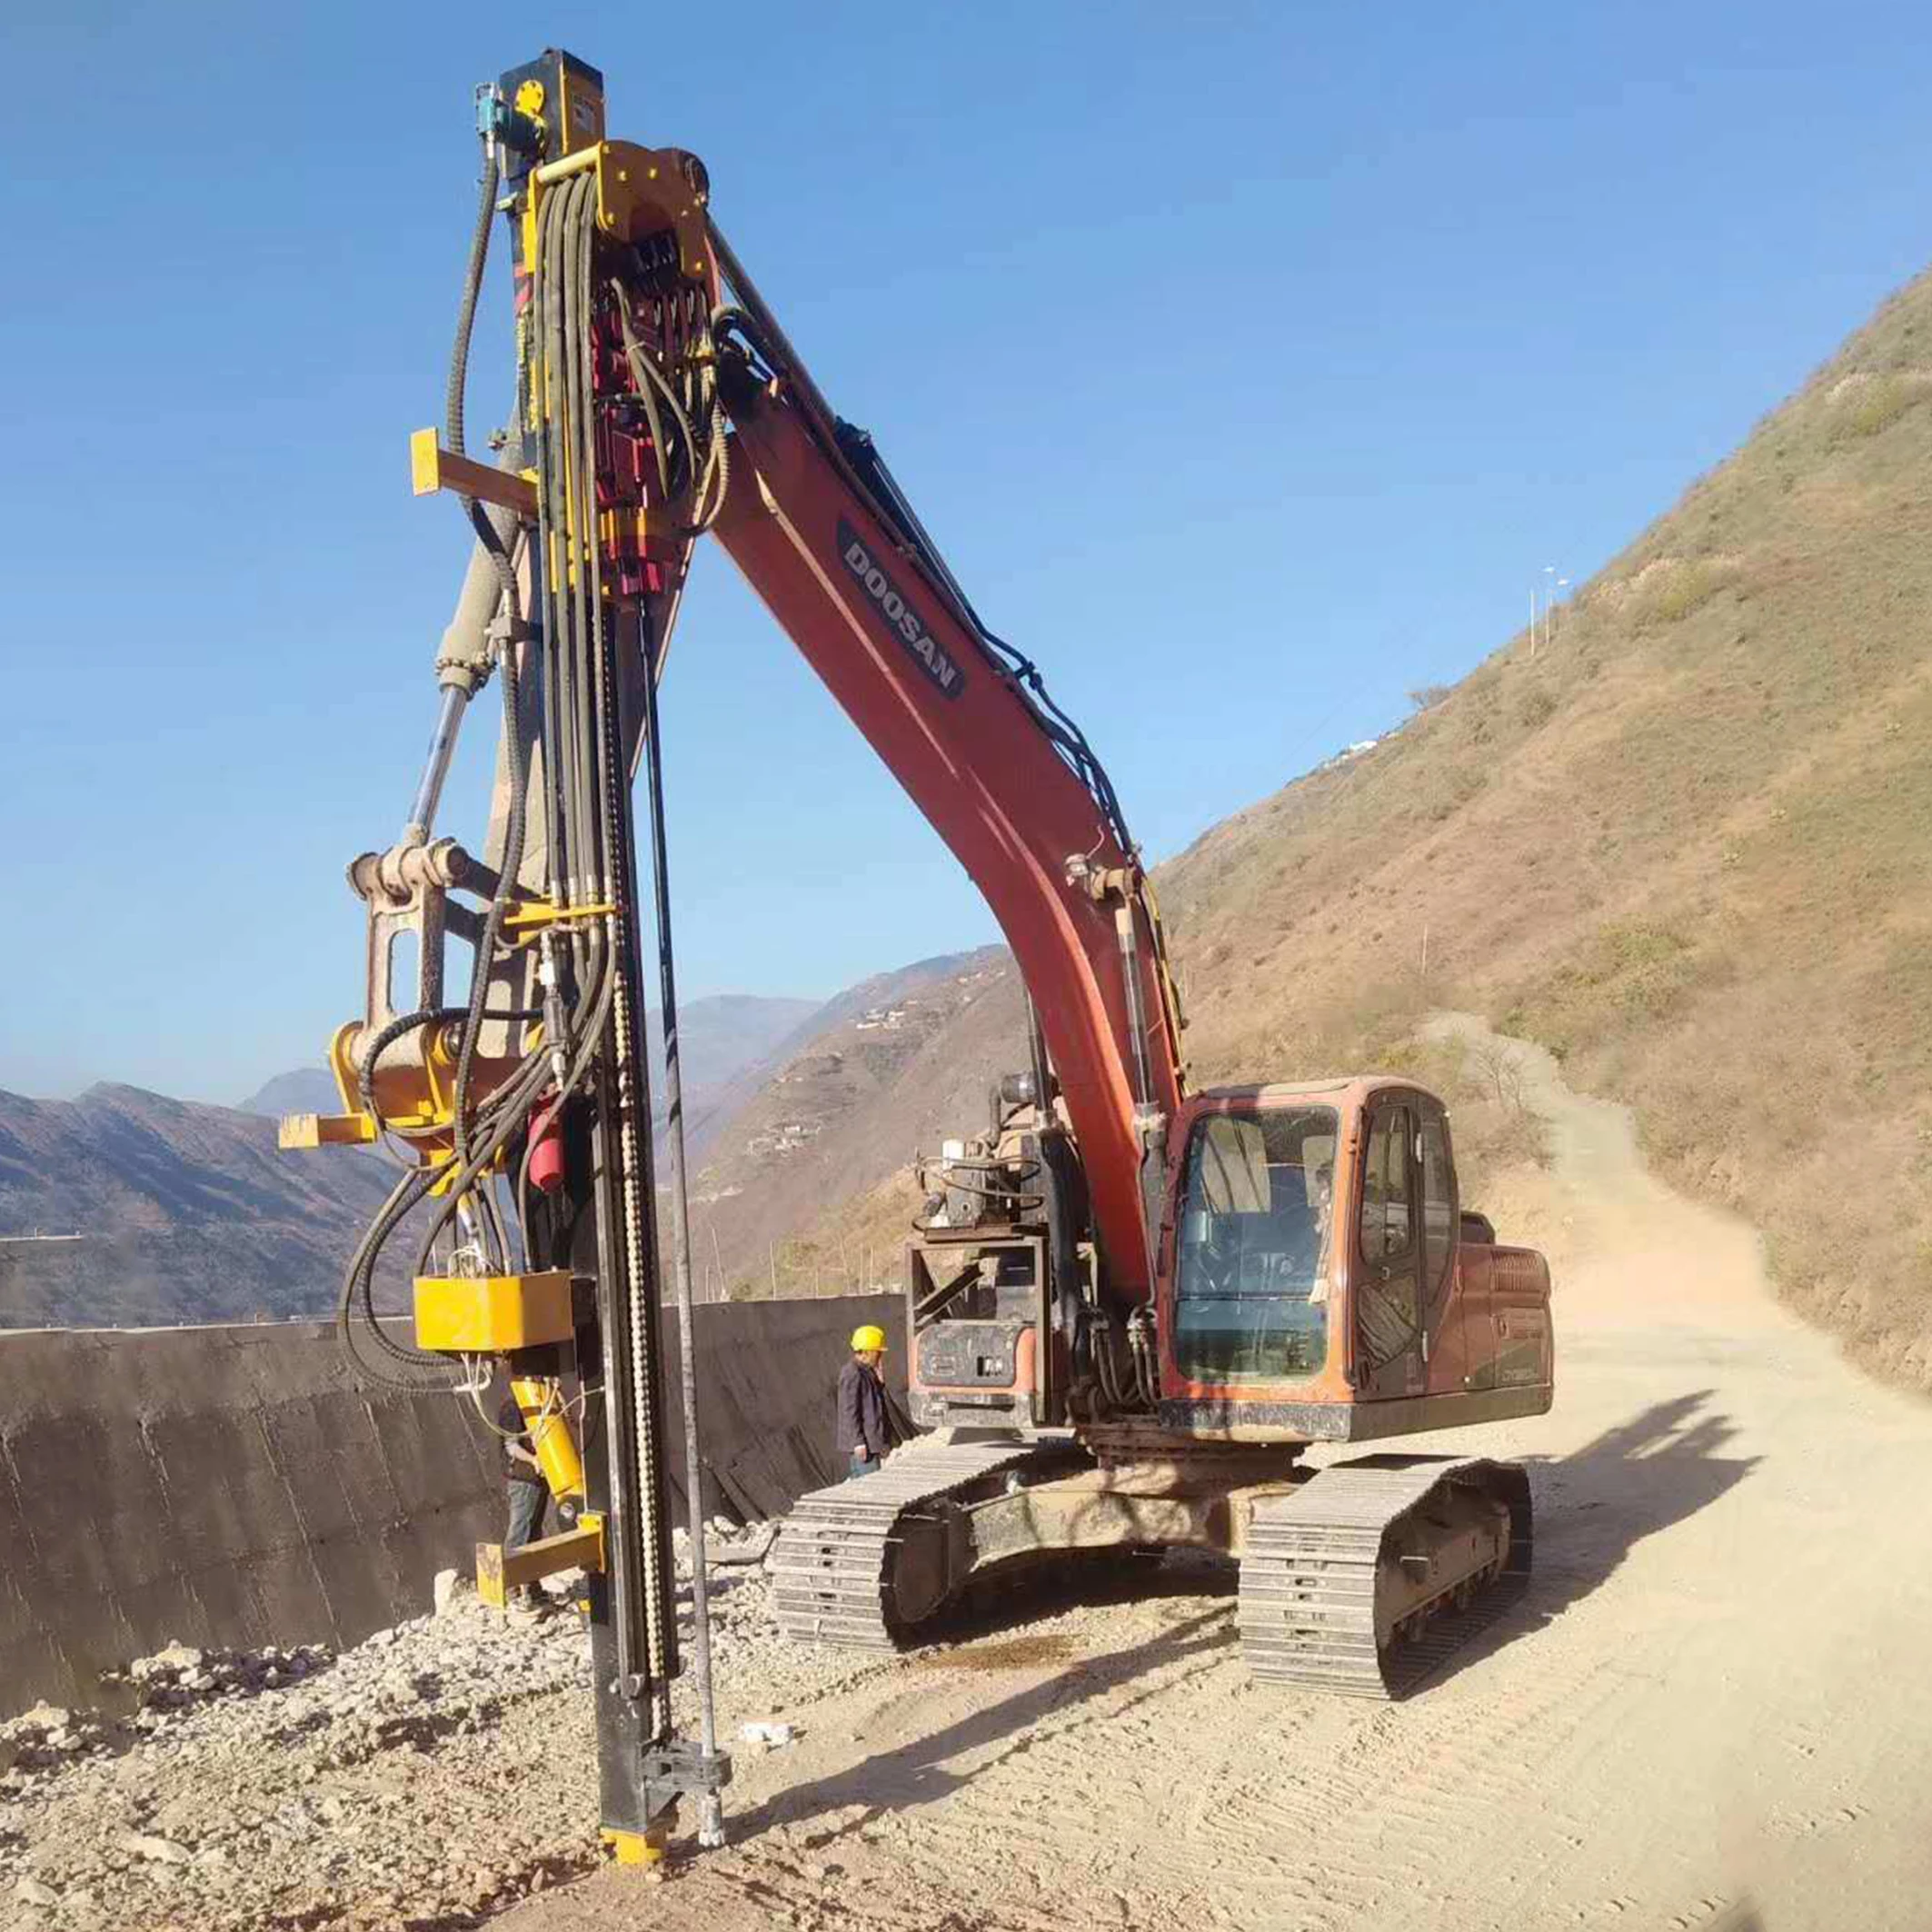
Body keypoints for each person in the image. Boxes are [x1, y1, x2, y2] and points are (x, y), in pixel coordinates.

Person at [499, 1390, 550, 1615]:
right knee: (520, 1533)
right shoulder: (513, 1408)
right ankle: (512, 1590)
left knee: (533, 1533)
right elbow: (511, 1445)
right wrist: (534, 1460)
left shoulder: (540, 1406)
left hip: (538, 1479)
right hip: (524, 1480)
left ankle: (532, 1588)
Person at [836, 1324, 901, 1478]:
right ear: (866, 1352)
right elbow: (848, 1411)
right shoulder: (852, 1373)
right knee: (869, 1484)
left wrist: (880, 1383)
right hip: (864, 1444)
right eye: (877, 1352)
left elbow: (872, 1401)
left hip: (870, 1442)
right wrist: (858, 1442)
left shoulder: (867, 1371)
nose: (880, 1356)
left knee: (865, 1483)